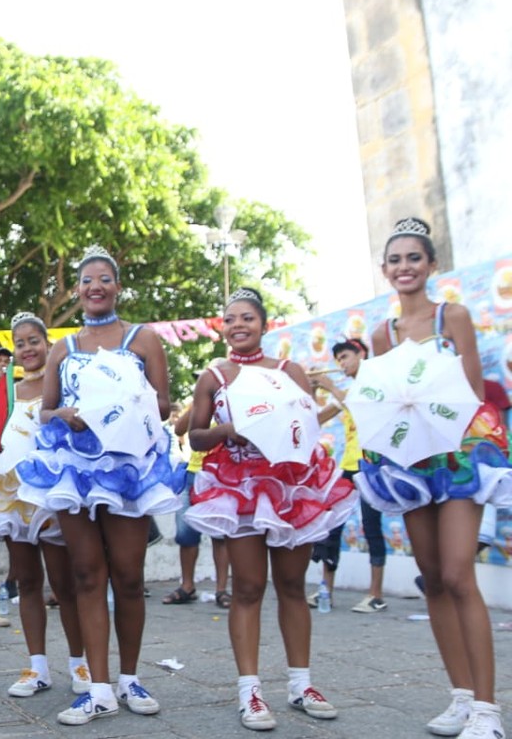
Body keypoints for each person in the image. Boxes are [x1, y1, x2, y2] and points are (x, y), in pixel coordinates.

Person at [354, 218, 510, 739]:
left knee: (460, 572)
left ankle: (488, 711)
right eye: (394, 260)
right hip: (410, 459)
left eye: (413, 259)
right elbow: (382, 394)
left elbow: (469, 391)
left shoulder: (454, 316)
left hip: (460, 453)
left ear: (431, 266)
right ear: (384, 270)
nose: (404, 268)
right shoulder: (382, 334)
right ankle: (461, 698)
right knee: (433, 576)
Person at [15, 246, 183, 725]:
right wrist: (64, 415)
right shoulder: (62, 349)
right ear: (77, 291)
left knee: (129, 577)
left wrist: (132, 403)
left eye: (104, 278)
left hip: (128, 468)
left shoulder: (143, 339)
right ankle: (100, 689)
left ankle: (130, 678)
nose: (95, 286)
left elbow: (165, 406)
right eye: (87, 280)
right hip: (76, 470)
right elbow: (46, 411)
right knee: (86, 575)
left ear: (117, 286)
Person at [184, 286, 356, 732]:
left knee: (293, 585)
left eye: (247, 318)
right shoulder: (214, 376)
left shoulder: (288, 370)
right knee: (248, 587)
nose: (238, 325)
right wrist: (229, 429)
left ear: (264, 325)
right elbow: (195, 437)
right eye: (230, 318)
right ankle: (250, 691)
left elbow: (309, 424)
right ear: (222, 327)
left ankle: (301, 684)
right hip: (239, 489)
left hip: (290, 486)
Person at [0, 312, 89, 698]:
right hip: (13, 496)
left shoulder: (64, 389)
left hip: (51, 497)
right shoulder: (7, 392)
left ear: (48, 344)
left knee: (64, 584)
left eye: (34, 340)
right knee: (27, 581)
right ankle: (37, 667)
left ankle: (79, 663)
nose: (27, 348)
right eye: (20, 343)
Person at [308, 339, 389, 613]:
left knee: (372, 526)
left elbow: (358, 408)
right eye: (338, 360)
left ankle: (375, 594)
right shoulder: (345, 391)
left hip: (371, 464)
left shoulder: (374, 383)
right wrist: (310, 390)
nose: (341, 364)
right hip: (349, 464)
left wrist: (328, 385)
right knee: (332, 526)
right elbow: (316, 419)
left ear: (361, 354)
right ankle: (324, 590)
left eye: (345, 357)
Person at [163, 405, 231, 609]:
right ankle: (187, 586)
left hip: (220, 475)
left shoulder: (231, 404)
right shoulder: (202, 404)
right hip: (193, 473)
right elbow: (179, 429)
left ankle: (221, 590)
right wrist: (201, 402)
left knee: (220, 535)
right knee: (186, 535)